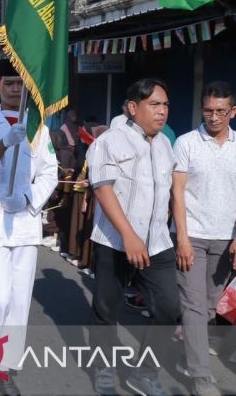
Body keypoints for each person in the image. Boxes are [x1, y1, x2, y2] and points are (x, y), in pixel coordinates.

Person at [0, 59, 58, 395]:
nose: (15, 90)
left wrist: (31, 199)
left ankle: (7, 365)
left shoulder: (38, 127)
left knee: (20, 299)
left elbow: (50, 170)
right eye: (9, 84)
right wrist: (3, 144)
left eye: (20, 85)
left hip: (24, 221)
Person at [86, 78, 179, 396]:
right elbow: (102, 187)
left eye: (165, 104)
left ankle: (144, 371)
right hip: (115, 240)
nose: (162, 111)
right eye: (154, 104)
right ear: (132, 107)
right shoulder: (110, 141)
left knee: (168, 309)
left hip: (157, 241)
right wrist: (128, 235)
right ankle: (103, 366)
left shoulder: (165, 143)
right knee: (106, 308)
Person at [172, 81, 236, 396]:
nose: (213, 117)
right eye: (208, 111)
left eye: (221, 111)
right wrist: (182, 238)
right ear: (202, 109)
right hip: (192, 236)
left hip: (227, 240)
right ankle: (200, 377)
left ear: (233, 112)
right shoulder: (186, 143)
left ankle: (188, 350)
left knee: (211, 305)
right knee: (195, 305)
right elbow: (178, 193)